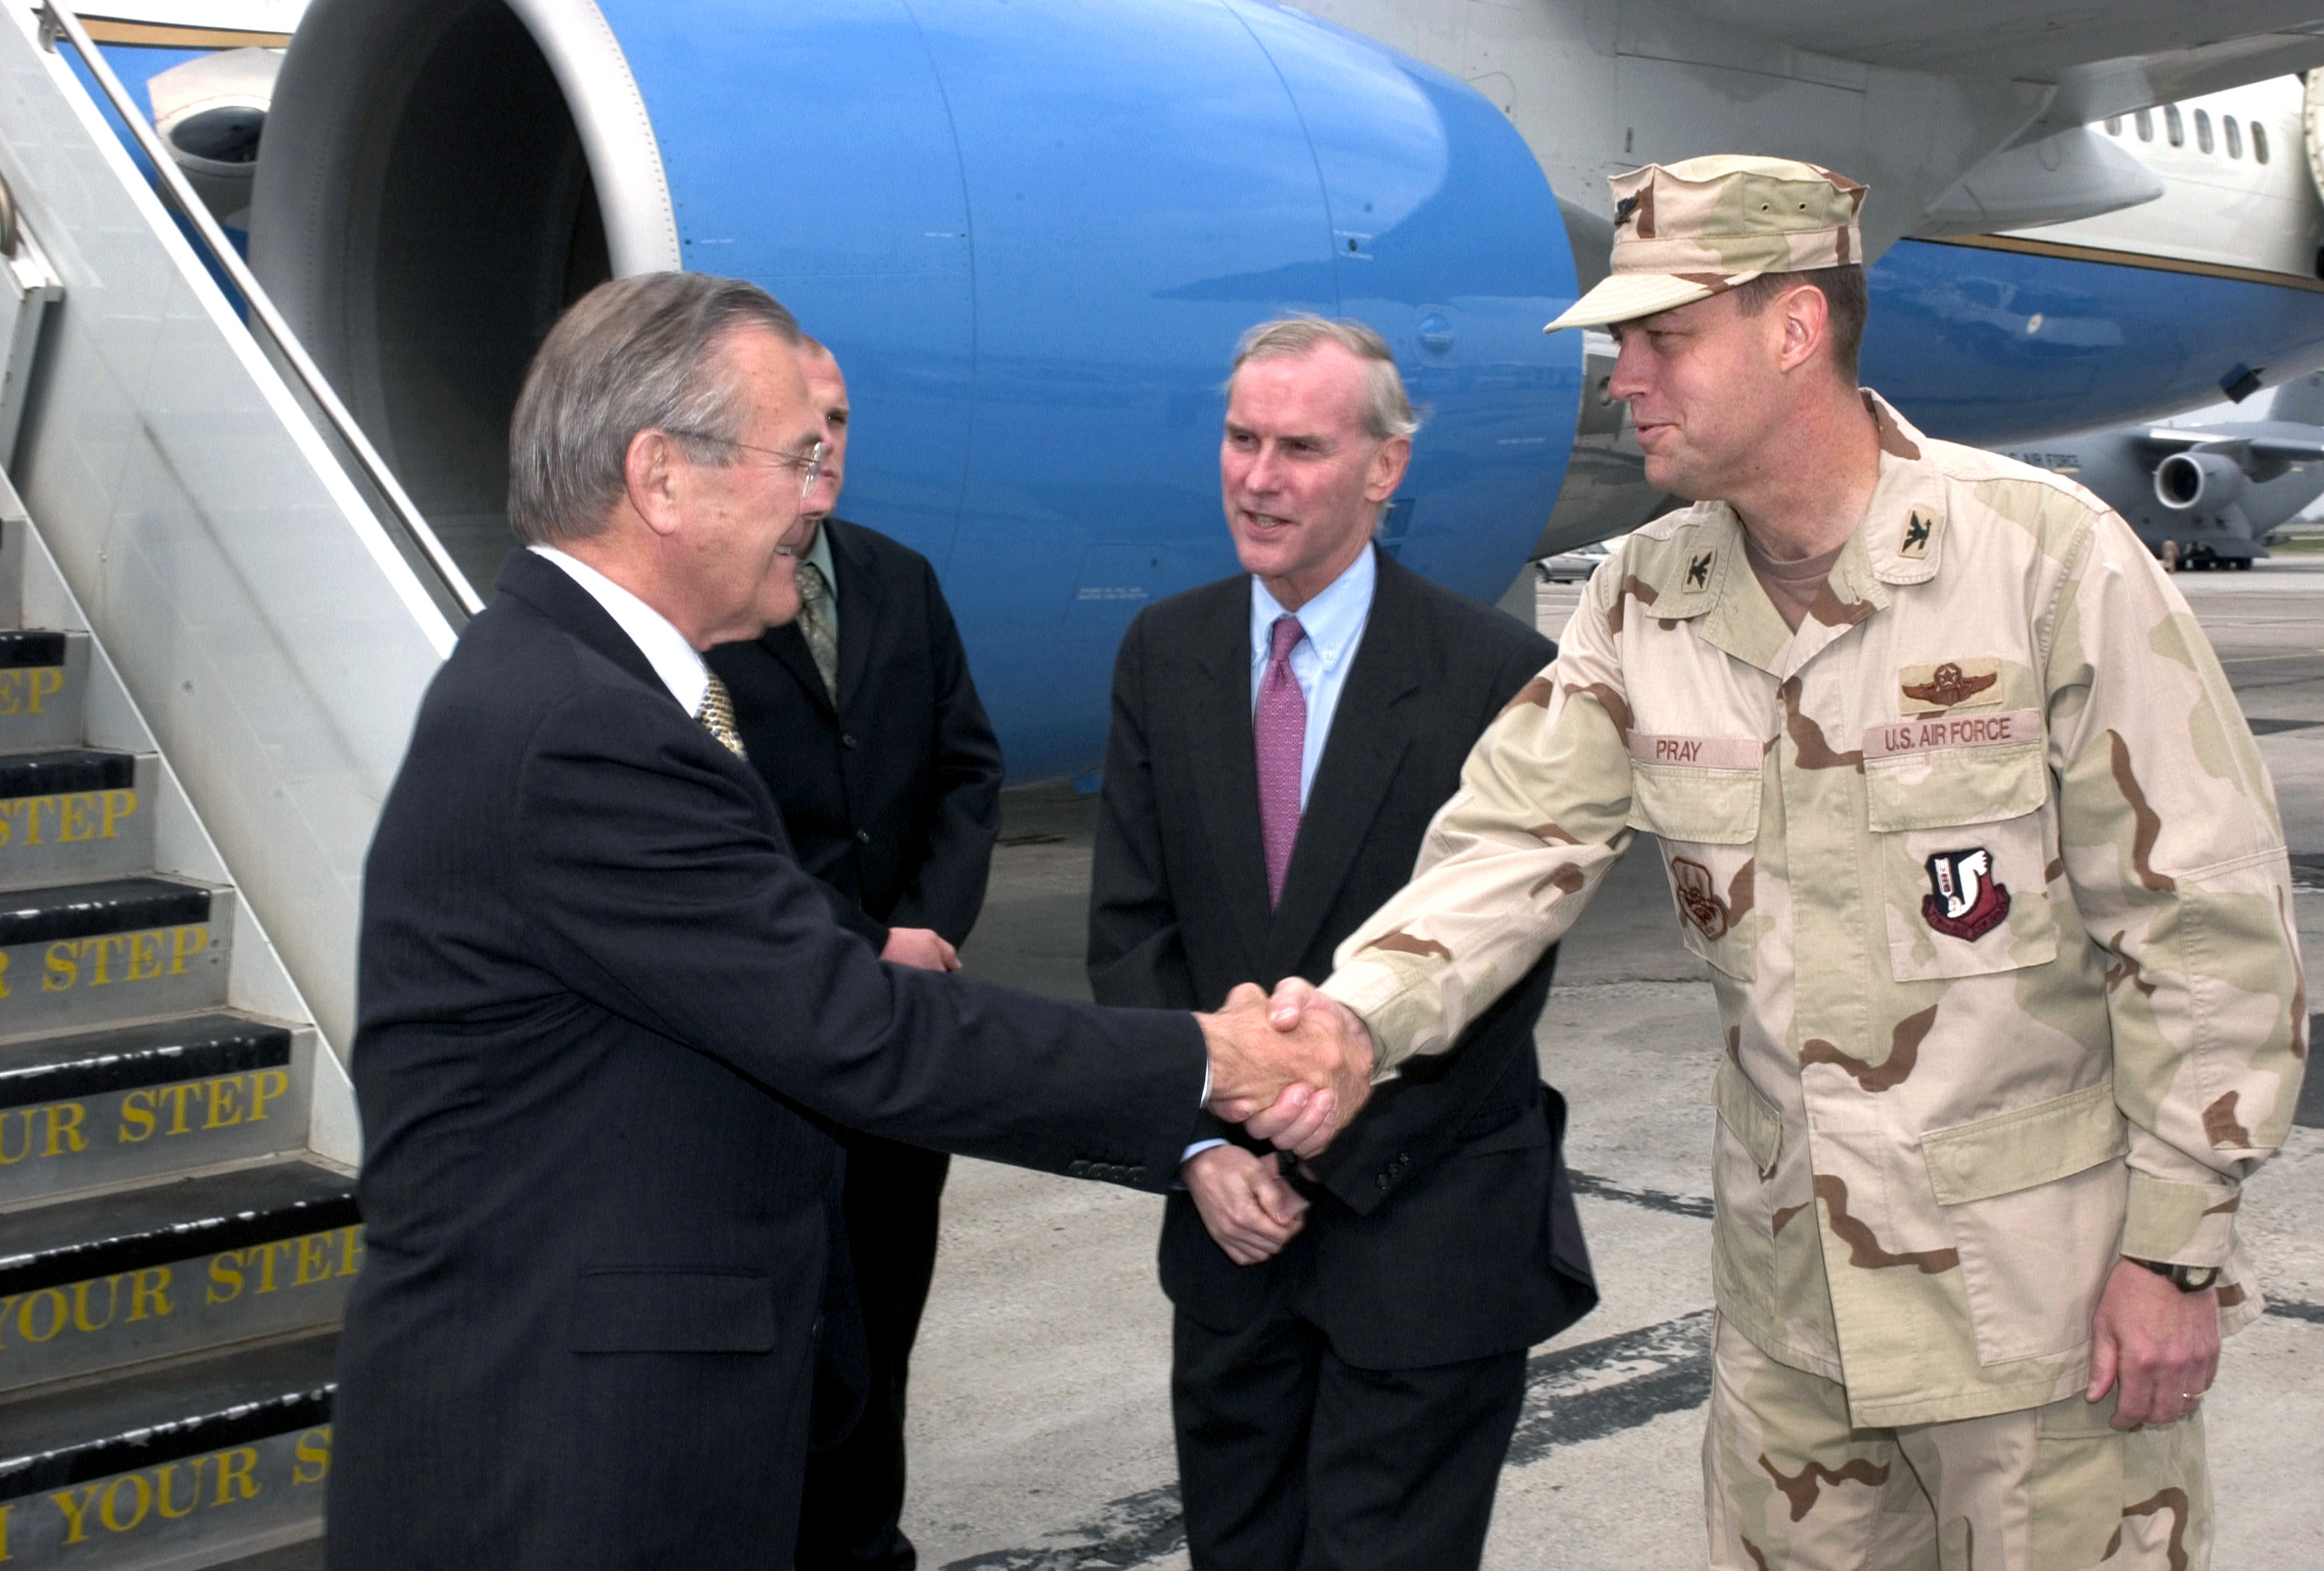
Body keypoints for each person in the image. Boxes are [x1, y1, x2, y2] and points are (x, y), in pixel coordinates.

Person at [1270, 157, 2307, 1569]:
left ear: (1795, 328)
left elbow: (2204, 925)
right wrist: (1348, 1016)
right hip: (1793, 1328)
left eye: (1660, 339)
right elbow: (1512, 842)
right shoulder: (1647, 596)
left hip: (2047, 1324)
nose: (1621, 378)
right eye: (1619, 345)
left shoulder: (2045, 563)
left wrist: (2176, 1254)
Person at [329, 272, 1369, 1571]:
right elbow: (858, 1028)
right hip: (563, 1459)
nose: (816, 497)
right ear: (663, 478)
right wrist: (1216, 1061)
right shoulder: (578, 731)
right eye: (793, 459)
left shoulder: (587, 689)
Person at [1087, 317, 1597, 1571]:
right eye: (1240, 439)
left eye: (1299, 447)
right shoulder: (1168, 654)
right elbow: (1131, 933)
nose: (1256, 477)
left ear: (1385, 467)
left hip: (1423, 1241)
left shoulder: (1498, 673)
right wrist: (1204, 1142)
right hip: (1228, 1241)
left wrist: (1328, 1128)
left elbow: (1503, 974)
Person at [706, 337, 1003, 1571]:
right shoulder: (714, 602)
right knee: (790, 1326)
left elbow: (968, 773)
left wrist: (927, 934)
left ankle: (867, 1541)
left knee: (886, 1308)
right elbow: (724, 835)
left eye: (839, 416)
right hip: (783, 1035)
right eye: (799, 421)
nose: (823, 443)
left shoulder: (900, 579)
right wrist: (864, 942)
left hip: (908, 1033)